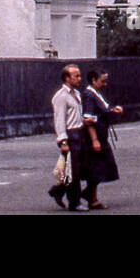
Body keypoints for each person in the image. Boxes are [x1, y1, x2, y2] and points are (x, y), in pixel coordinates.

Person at [80, 67, 123, 209]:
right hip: (95, 137)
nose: (105, 84)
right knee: (97, 167)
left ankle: (89, 195)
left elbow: (102, 110)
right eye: (102, 81)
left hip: (102, 135)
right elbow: (89, 118)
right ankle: (91, 198)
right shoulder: (88, 95)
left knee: (101, 167)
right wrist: (94, 140)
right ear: (93, 80)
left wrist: (112, 110)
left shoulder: (96, 93)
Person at [50, 64, 91, 211]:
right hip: (70, 135)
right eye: (76, 76)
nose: (79, 78)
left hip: (80, 132)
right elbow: (60, 120)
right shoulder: (61, 97)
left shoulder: (76, 94)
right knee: (73, 171)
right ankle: (74, 202)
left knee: (79, 168)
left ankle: (58, 190)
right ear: (67, 78)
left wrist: (83, 121)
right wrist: (63, 141)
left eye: (79, 75)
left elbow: (74, 115)